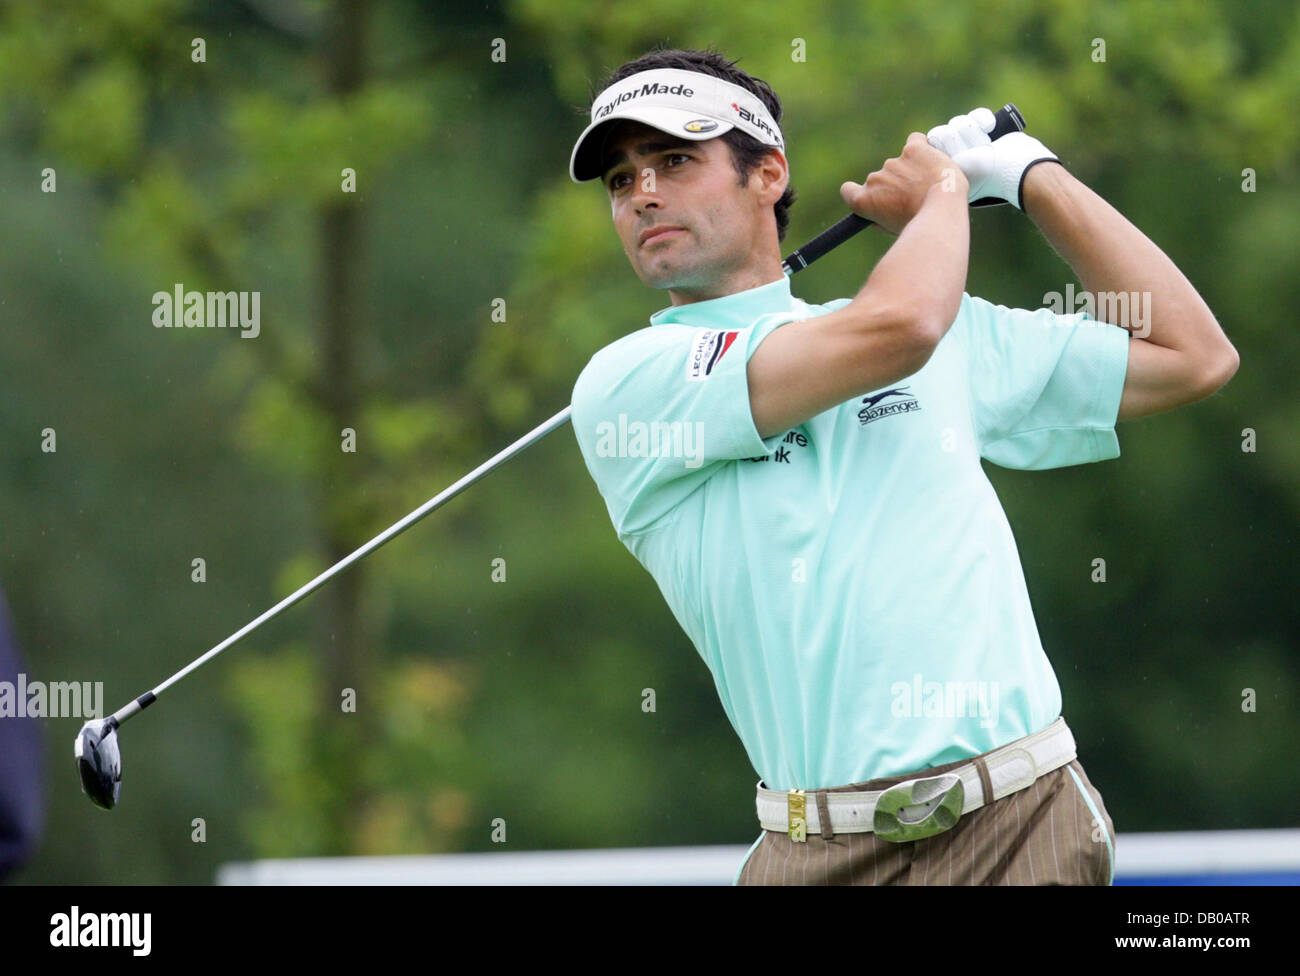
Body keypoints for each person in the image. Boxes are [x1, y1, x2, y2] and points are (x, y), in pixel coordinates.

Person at [566, 47, 1238, 885]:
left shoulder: (947, 333)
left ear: (767, 173)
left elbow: (1192, 355)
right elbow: (902, 329)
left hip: (1019, 821)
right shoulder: (627, 387)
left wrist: (1034, 178)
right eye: (622, 181)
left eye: (674, 161)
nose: (645, 194)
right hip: (815, 852)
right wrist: (945, 197)